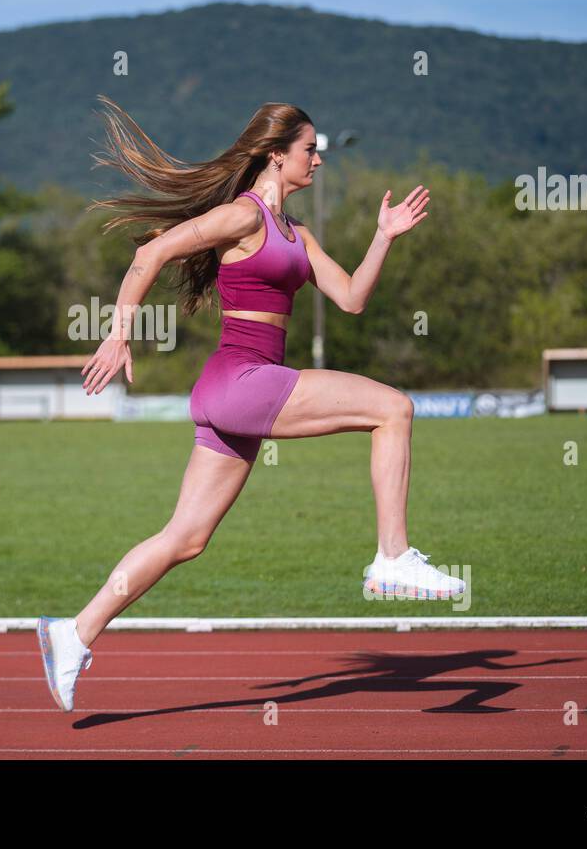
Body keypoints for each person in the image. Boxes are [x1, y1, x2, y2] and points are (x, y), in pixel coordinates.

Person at [37, 96, 465, 712]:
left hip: (229, 391)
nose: (318, 160)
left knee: (184, 538)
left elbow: (350, 299)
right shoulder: (242, 217)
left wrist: (383, 237)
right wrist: (118, 330)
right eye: (309, 150)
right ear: (276, 154)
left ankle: (73, 634)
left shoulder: (298, 232)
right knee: (393, 408)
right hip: (244, 381)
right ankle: (392, 558)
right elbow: (149, 254)